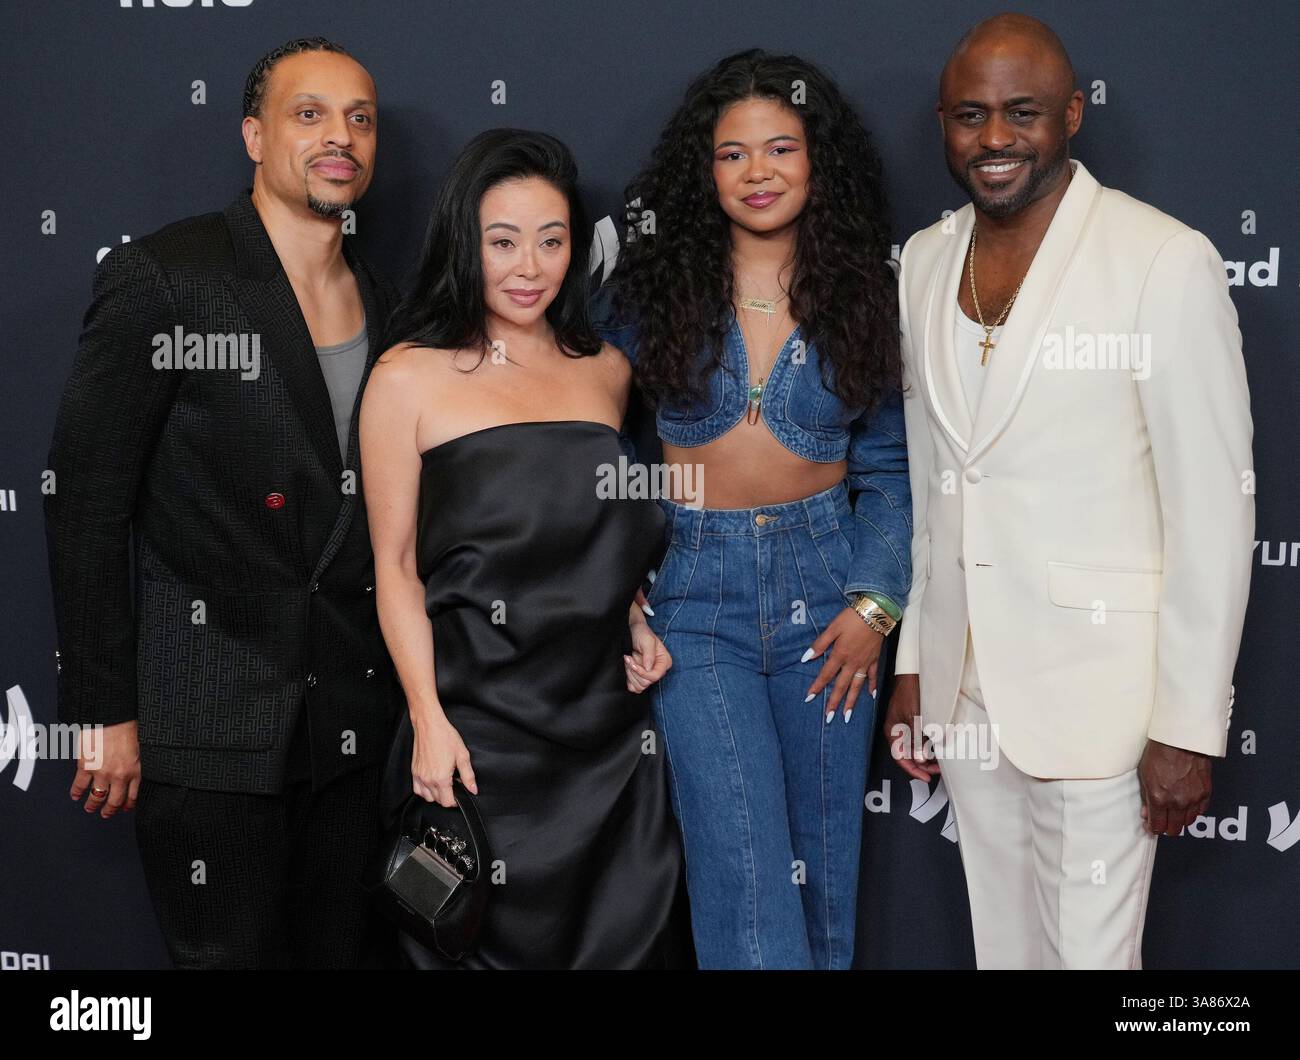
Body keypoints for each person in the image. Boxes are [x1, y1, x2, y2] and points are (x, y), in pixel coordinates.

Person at [885, 14, 1254, 969]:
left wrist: (1186, 726)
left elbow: (1213, 512)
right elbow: (937, 482)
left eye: (1022, 113)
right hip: (966, 698)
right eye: (970, 116)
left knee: (1094, 961)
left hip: (1105, 706)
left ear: (1073, 116)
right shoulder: (925, 262)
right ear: (942, 122)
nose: (995, 139)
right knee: (1002, 952)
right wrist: (917, 663)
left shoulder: (1161, 261)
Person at [44, 37, 404, 969]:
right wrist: (102, 710)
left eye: (359, 119)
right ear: (254, 134)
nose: (341, 137)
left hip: (353, 736)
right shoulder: (168, 278)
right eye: (310, 114)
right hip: (207, 730)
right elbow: (85, 502)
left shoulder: (392, 305)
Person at [593, 49, 911, 969]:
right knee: (743, 872)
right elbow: (597, 446)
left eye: (781, 148)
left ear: (820, 162)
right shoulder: (652, 291)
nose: (759, 172)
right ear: (706, 169)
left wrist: (874, 605)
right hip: (696, 602)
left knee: (825, 877)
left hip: (829, 597)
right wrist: (626, 577)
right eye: (734, 154)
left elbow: (887, 472)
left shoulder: (865, 293)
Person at [360, 128, 689, 969]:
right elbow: (394, 568)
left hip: (608, 736)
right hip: (477, 739)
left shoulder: (606, 370)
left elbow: (594, 529)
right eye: (502, 242)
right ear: (463, 244)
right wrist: (429, 722)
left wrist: (633, 617)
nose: (529, 267)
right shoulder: (407, 378)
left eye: (551, 241)